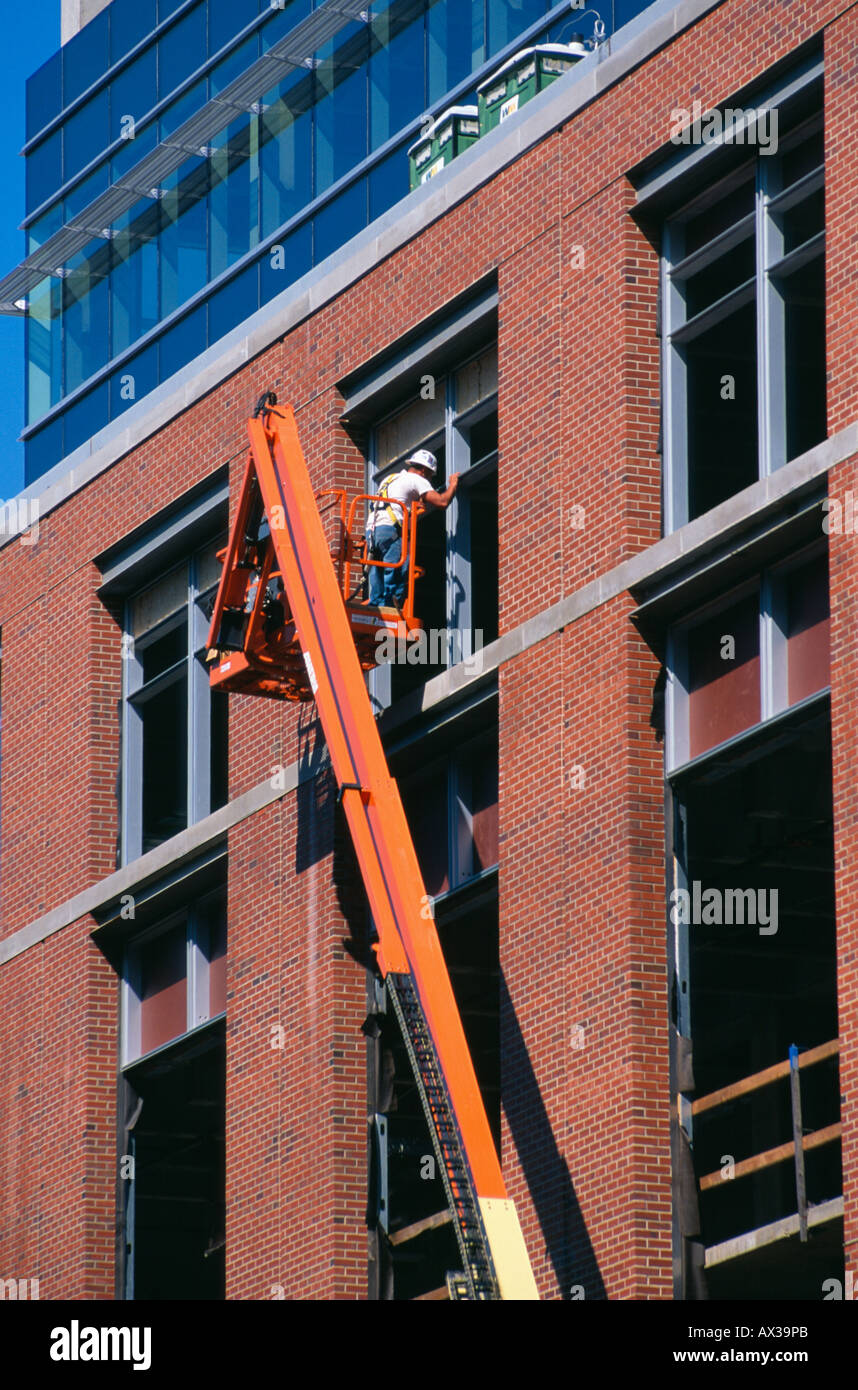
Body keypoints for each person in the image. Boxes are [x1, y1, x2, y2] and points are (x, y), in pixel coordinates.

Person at [366, 449, 459, 607]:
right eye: (430, 475)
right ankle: (389, 606)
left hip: (373, 531)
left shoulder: (390, 478)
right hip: (391, 530)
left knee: (377, 569)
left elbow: (399, 500)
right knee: (398, 567)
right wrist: (453, 485)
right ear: (424, 471)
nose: (429, 478)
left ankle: (375, 604)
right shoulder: (417, 479)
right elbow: (442, 502)